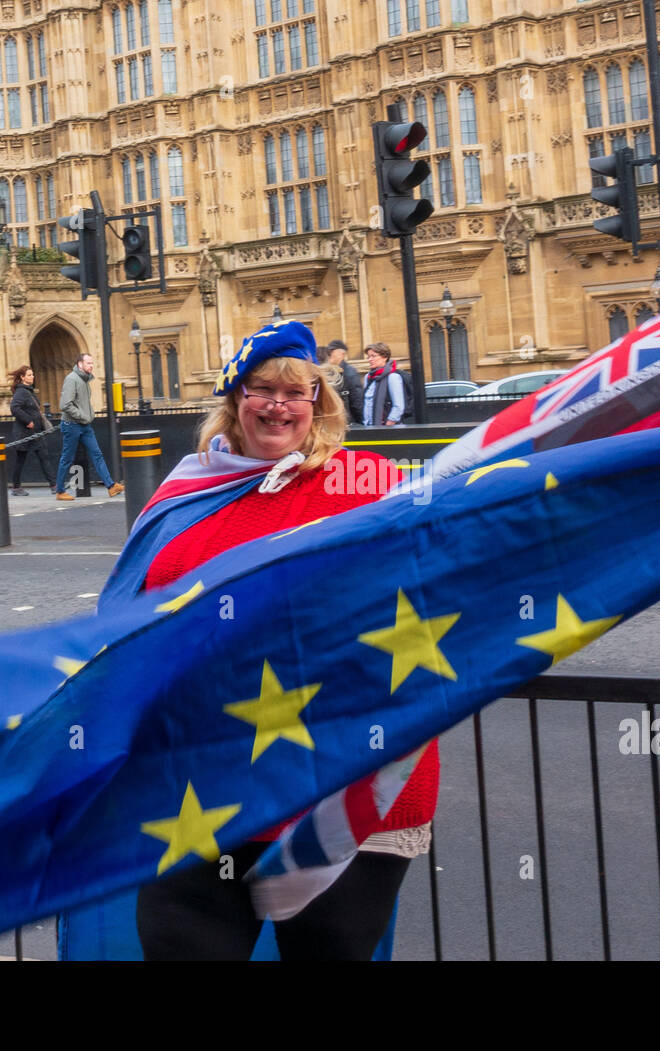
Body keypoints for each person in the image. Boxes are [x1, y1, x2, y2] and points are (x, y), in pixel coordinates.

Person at [123, 320, 439, 960]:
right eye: (261, 389)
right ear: (234, 400)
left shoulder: (369, 483)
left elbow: (436, 578)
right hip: (203, 782)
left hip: (339, 779)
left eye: (297, 393)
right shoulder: (189, 490)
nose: (278, 405)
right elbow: (134, 619)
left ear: (319, 405)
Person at [54, 352, 124, 500]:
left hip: (84, 425)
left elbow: (83, 403)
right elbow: (65, 404)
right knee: (67, 458)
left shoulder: (84, 380)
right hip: (72, 425)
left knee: (97, 454)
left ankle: (111, 486)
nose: (91, 365)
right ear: (80, 364)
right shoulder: (72, 379)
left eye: (92, 363)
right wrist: (82, 415)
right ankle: (60, 491)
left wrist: (87, 416)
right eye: (88, 363)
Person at [7, 364, 56, 497]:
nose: (32, 377)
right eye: (29, 375)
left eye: (32, 374)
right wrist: (28, 420)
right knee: (20, 460)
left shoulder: (29, 391)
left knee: (44, 457)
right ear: (22, 378)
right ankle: (16, 487)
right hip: (24, 433)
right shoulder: (21, 392)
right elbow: (15, 408)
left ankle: (54, 485)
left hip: (36, 433)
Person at [362, 342, 407, 427]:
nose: (370, 359)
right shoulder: (368, 377)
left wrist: (388, 425)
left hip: (387, 429)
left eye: (373, 356)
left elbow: (398, 406)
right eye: (368, 357)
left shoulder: (392, 377)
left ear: (384, 357)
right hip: (370, 426)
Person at [321, 339, 364, 424]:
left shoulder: (349, 372)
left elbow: (356, 400)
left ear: (342, 354)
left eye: (333, 351)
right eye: (330, 351)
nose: (330, 354)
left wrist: (359, 421)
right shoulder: (327, 370)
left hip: (347, 422)